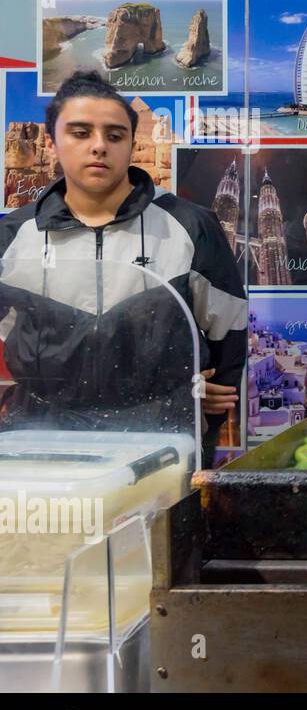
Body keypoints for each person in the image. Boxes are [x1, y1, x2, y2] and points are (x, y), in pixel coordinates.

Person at [0, 70, 247, 465]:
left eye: (114, 136)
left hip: (162, 438)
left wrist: (206, 403)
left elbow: (229, 330)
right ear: (51, 142)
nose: (99, 147)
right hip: (40, 437)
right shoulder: (13, 236)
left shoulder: (190, 226)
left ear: (133, 143)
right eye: (80, 133)